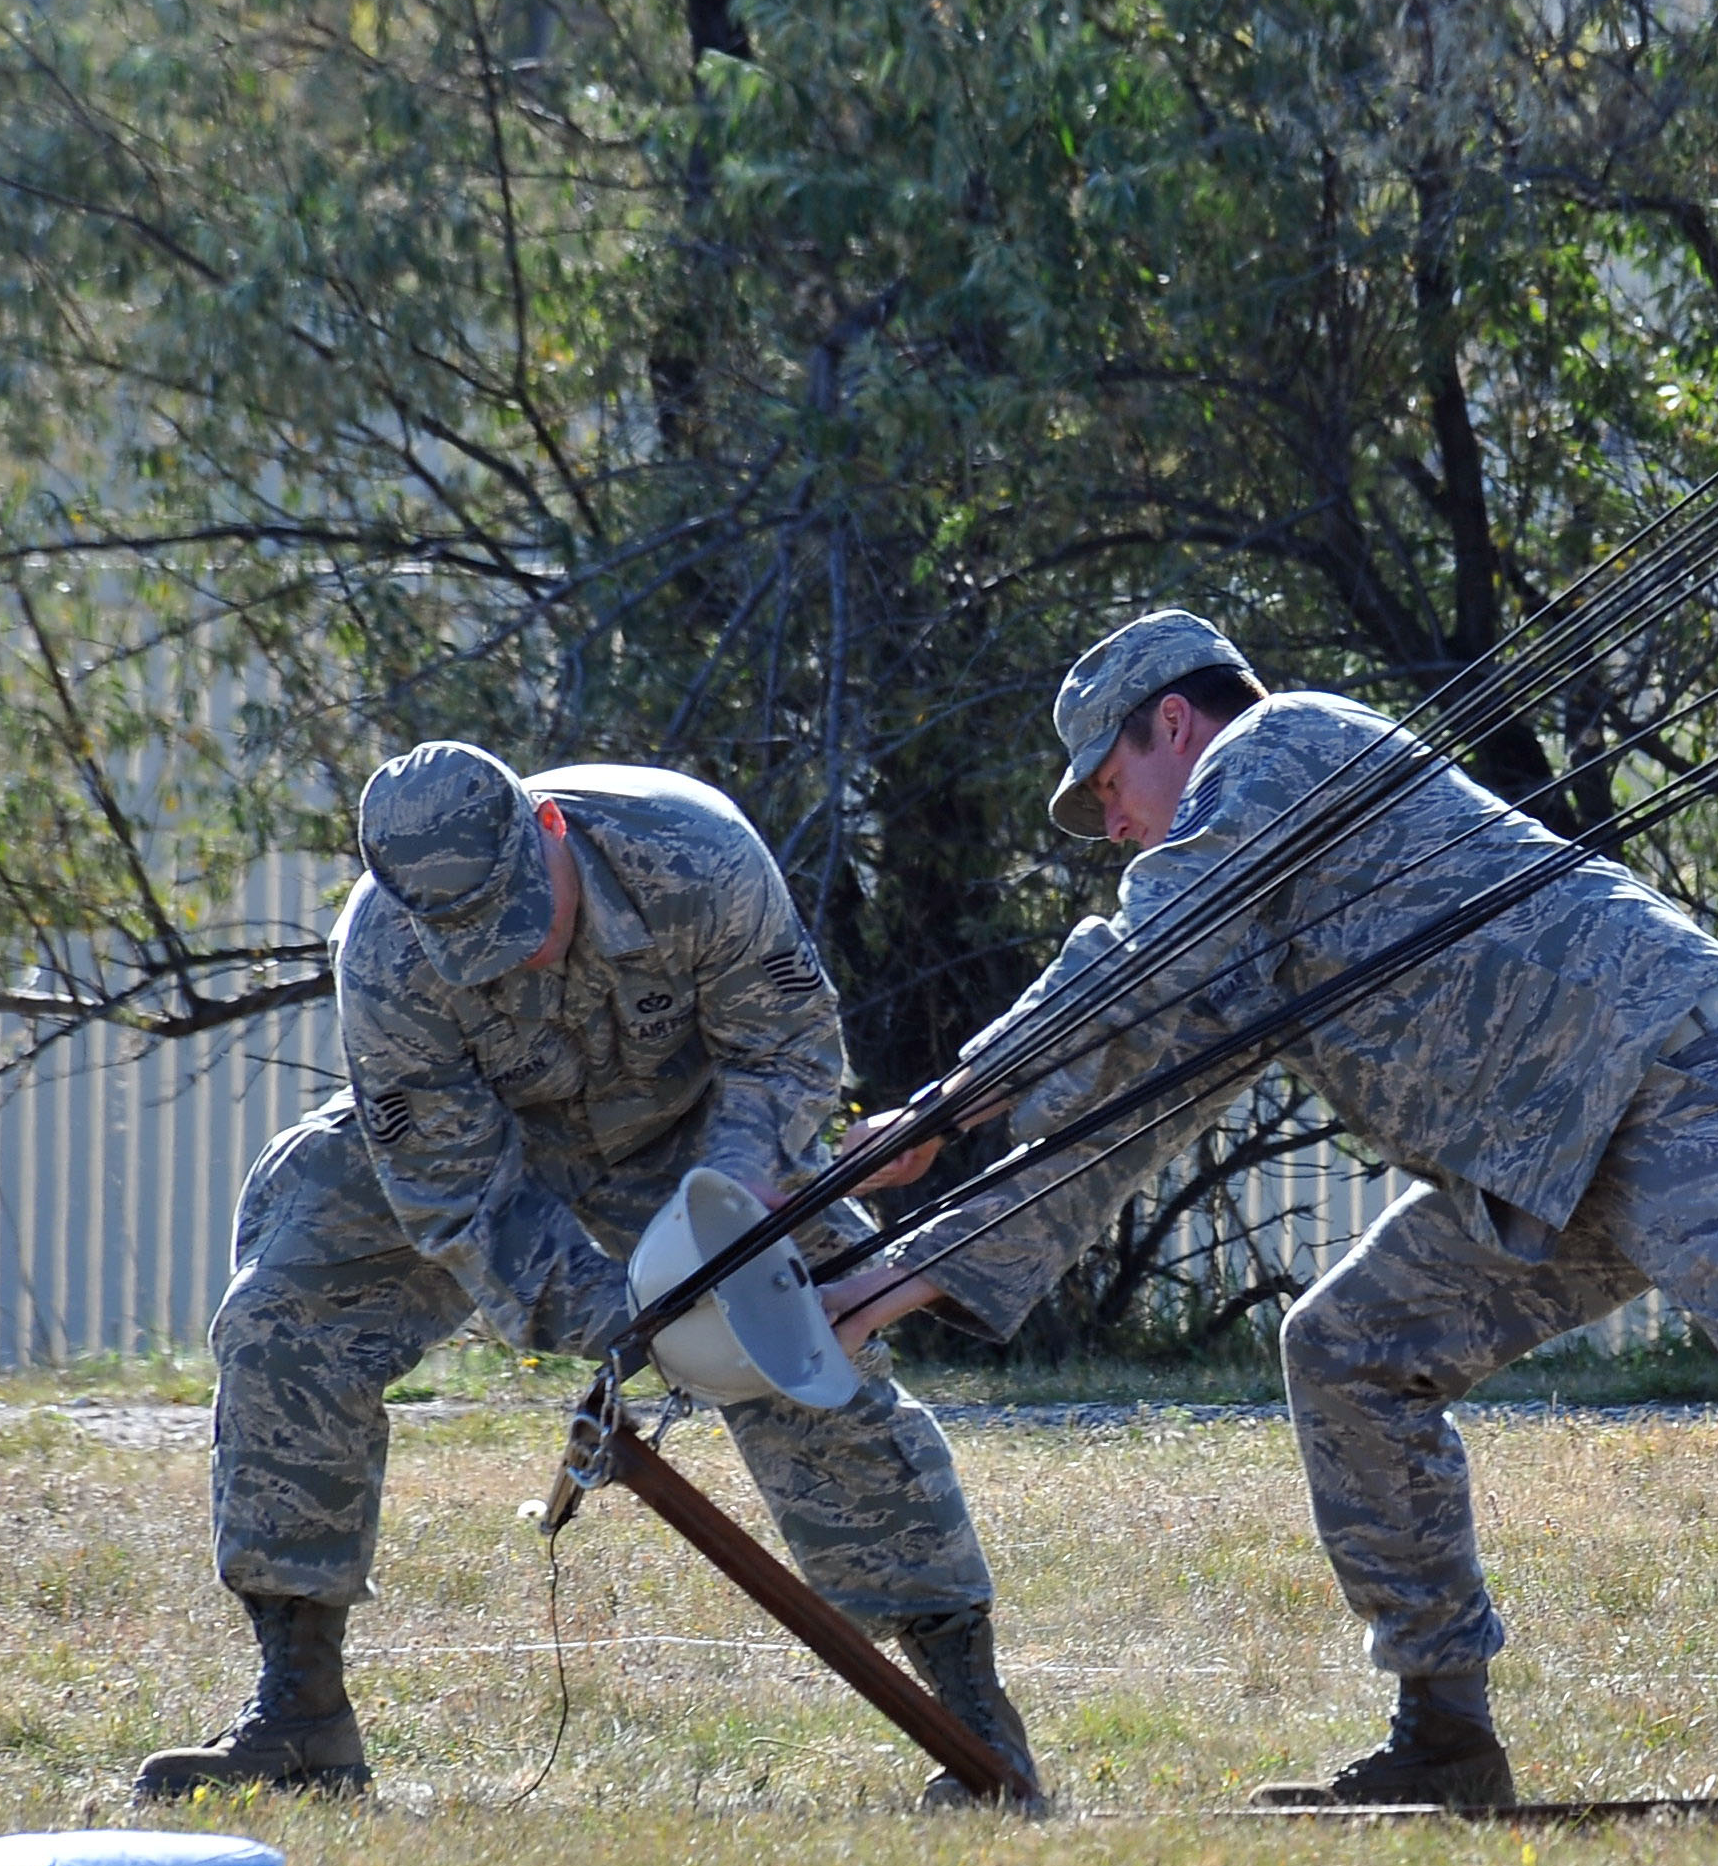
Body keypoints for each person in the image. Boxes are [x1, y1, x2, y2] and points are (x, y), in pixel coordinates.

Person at [823, 609, 1718, 1807]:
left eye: (1110, 792)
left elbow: (1136, 959)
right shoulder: (1249, 885)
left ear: (1174, 725)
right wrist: (915, 1259)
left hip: (1676, 1086)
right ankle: (1445, 1742)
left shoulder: (1278, 749)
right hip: (1553, 1165)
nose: (1113, 828)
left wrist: (948, 1109)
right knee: (1350, 1349)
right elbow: (1139, 1089)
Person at [138, 742, 1042, 1808]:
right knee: (282, 1316)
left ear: (550, 832)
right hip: (496, 1147)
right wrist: (636, 1316)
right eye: (474, 944)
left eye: (522, 922)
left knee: (812, 1362)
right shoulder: (383, 958)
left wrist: (727, 1217)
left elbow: (789, 1048)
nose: (514, 960)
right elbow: (458, 1194)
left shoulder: (694, 855)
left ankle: (974, 1724)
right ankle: (298, 1717)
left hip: (698, 1135)